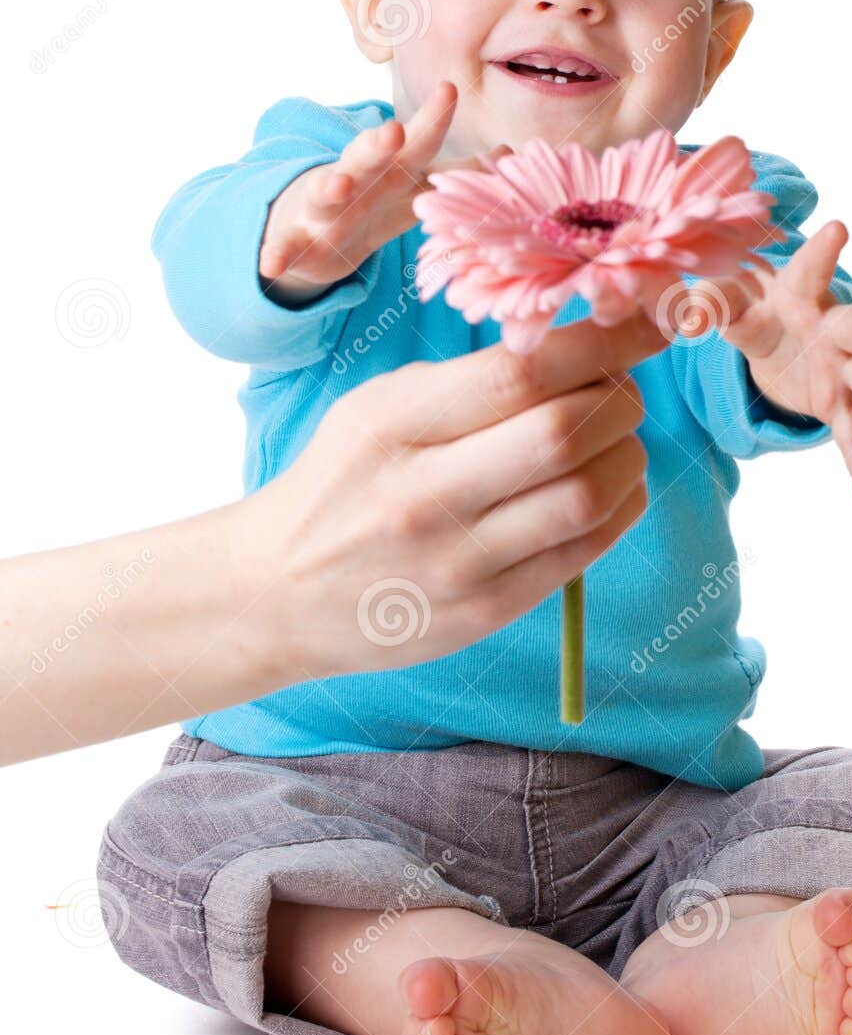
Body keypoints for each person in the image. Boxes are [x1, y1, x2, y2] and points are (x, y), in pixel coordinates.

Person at [97, 0, 852, 1035]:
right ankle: (433, 960)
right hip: (336, 782)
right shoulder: (347, 179)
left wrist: (794, 349)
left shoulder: (714, 220)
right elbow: (210, 264)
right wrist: (302, 235)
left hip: (651, 811)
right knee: (172, 839)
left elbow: (763, 321)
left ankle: (726, 960)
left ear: (719, 40)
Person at [1, 313, 658, 765]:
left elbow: (744, 370)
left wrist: (765, 367)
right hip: (325, 758)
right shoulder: (328, 157)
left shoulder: (730, 203)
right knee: (189, 842)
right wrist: (296, 253)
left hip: (644, 769)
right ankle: (423, 958)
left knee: (744, 844)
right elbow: (224, 293)